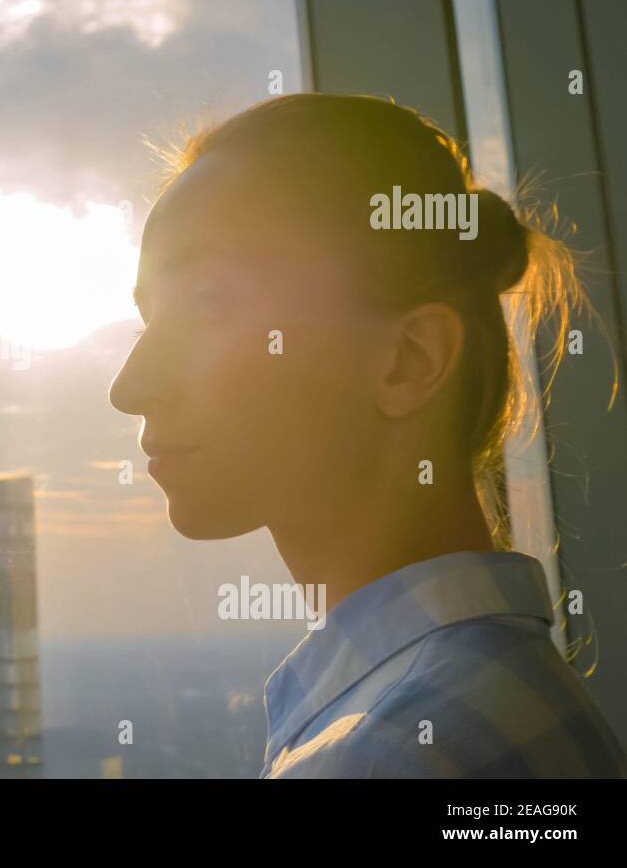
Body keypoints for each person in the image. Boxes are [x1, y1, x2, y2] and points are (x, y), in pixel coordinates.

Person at [109, 93, 627, 777]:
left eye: (209, 301)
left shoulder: (395, 750)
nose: (129, 386)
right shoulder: (481, 700)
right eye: (149, 316)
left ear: (409, 360)